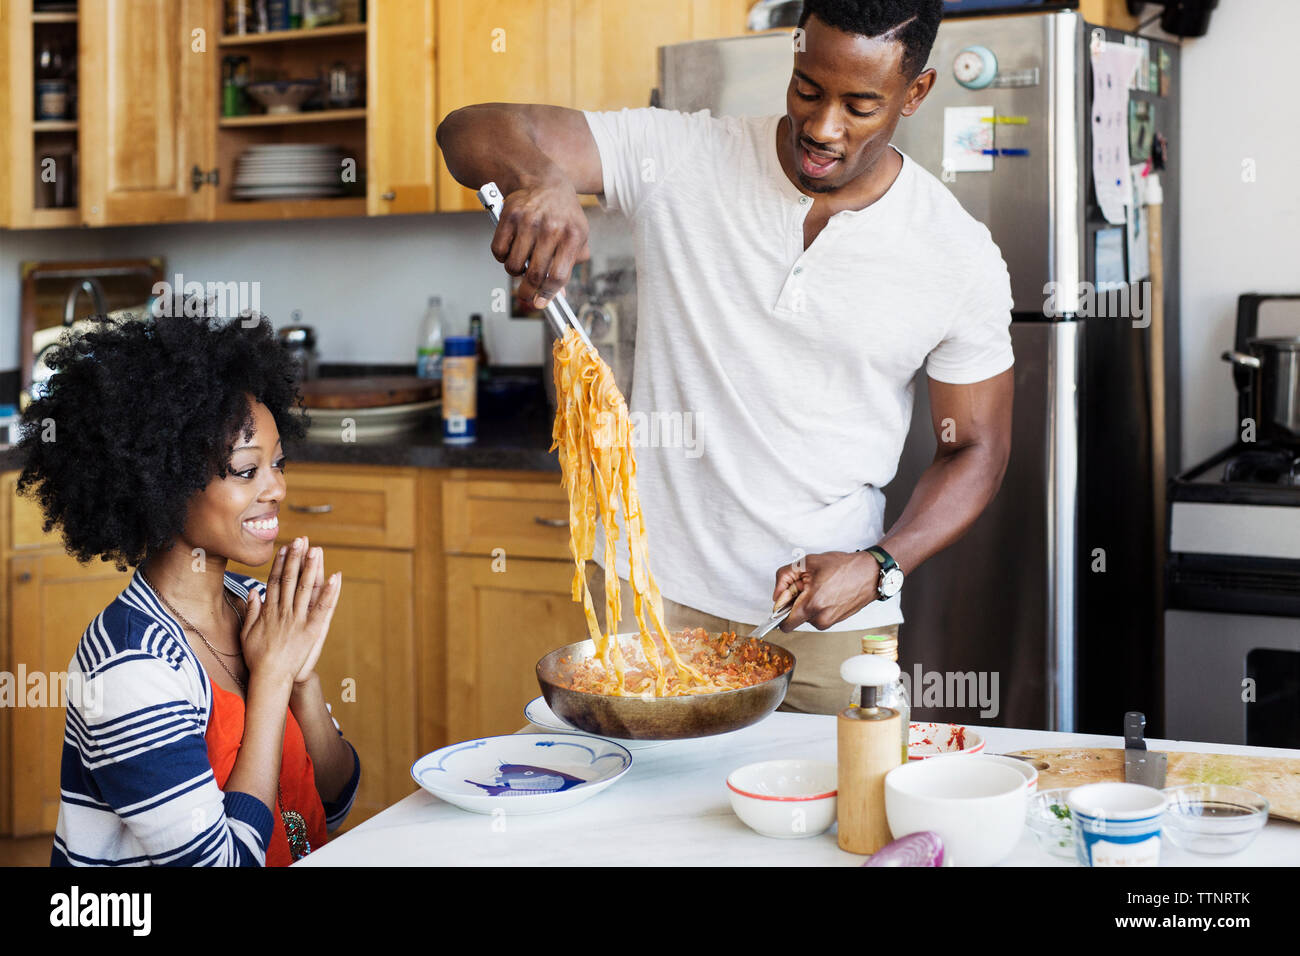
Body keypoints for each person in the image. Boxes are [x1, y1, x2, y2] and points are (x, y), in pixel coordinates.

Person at [437, 0, 1014, 713]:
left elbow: (976, 450)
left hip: (830, 619)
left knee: (852, 817)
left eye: (860, 105)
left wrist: (882, 564)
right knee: (639, 820)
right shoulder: (683, 157)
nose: (823, 128)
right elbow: (471, 129)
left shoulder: (957, 253)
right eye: (808, 89)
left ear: (915, 93)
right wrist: (542, 177)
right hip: (648, 600)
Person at [18, 312, 360, 866]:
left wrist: (302, 677)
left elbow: (328, 804)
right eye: (246, 471)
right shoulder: (129, 664)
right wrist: (270, 681)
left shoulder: (255, 605)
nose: (278, 487)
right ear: (166, 481)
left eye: (277, 463)